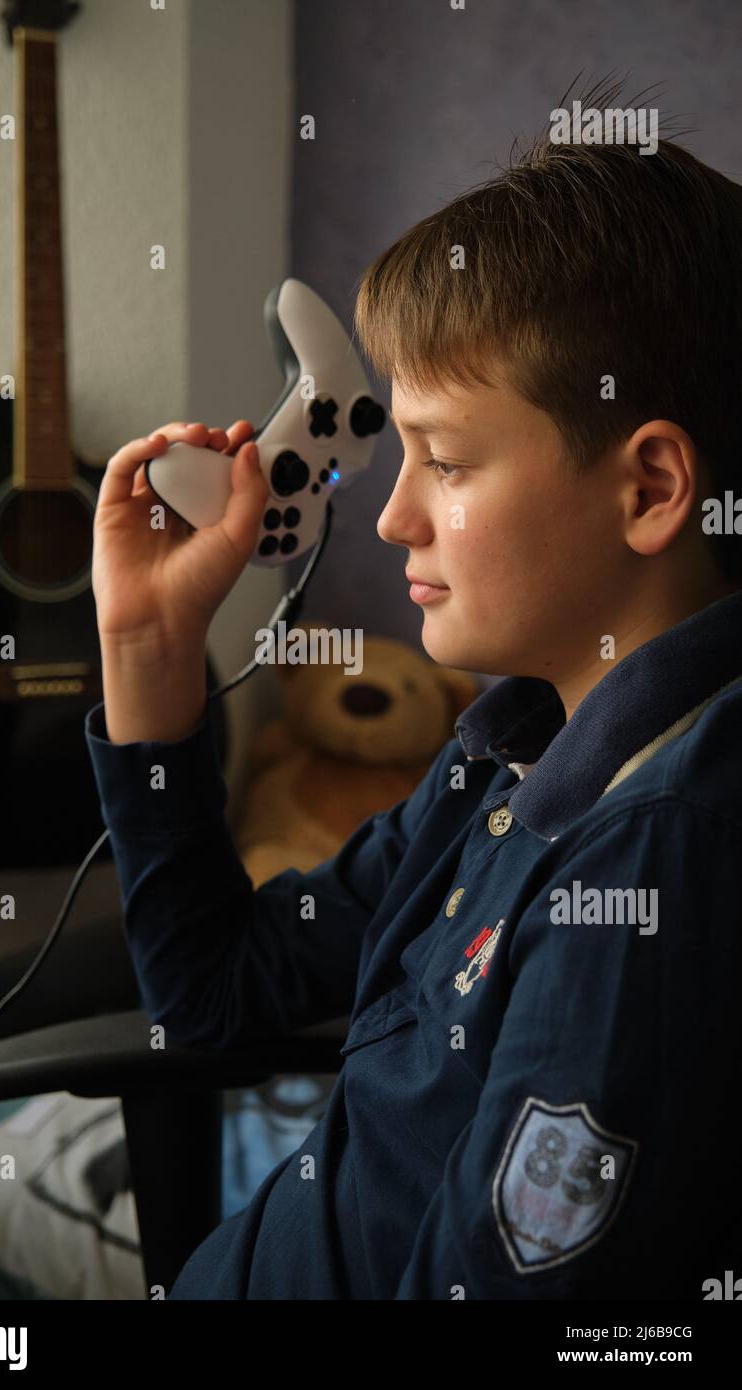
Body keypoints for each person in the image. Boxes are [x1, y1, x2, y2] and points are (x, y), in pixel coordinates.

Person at [84, 82, 742, 1299]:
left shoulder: (647, 862)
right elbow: (218, 998)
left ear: (648, 489)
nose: (388, 517)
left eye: (442, 461)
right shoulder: (512, 753)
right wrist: (150, 645)